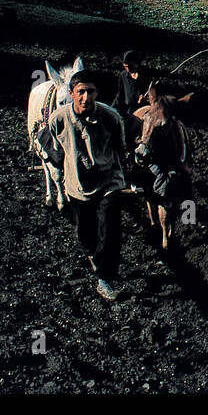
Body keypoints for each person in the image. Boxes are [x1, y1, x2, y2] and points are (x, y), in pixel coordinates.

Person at [35, 70, 129, 300]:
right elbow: (48, 146)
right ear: (71, 93)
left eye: (91, 91)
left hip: (109, 182)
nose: (86, 97)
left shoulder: (110, 117)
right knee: (86, 235)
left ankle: (105, 279)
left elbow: (121, 147)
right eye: (81, 92)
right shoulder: (59, 118)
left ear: (97, 93)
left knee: (110, 231)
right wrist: (65, 163)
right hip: (78, 186)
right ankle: (94, 256)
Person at [112, 51, 156, 141]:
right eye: (125, 67)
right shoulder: (123, 76)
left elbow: (155, 96)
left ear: (136, 63)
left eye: (130, 66)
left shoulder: (147, 75)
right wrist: (112, 109)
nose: (128, 69)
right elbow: (120, 94)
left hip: (145, 113)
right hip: (129, 112)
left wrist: (147, 99)